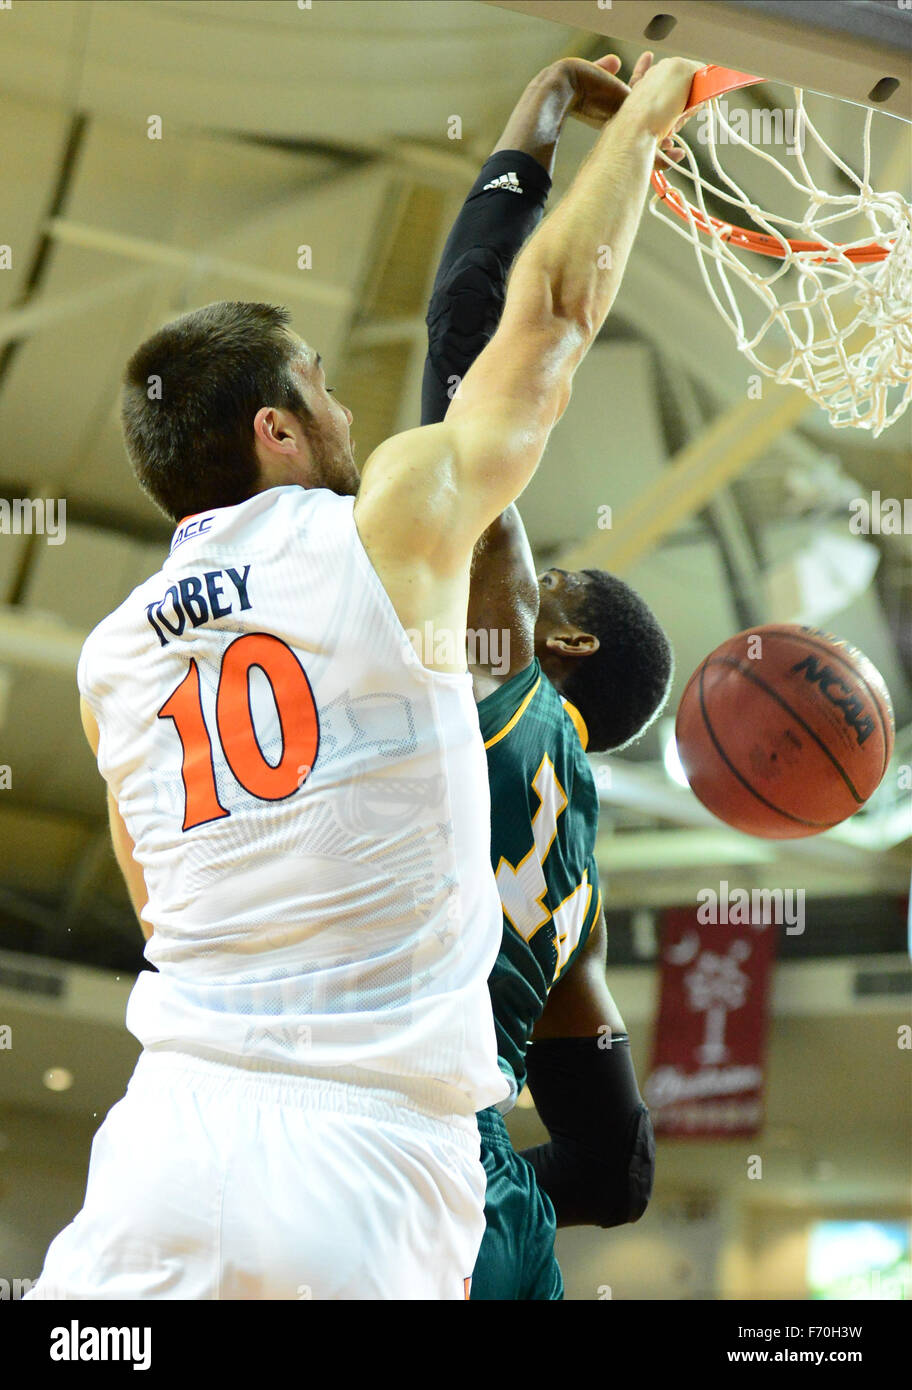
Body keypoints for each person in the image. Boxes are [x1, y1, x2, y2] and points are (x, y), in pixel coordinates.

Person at [27, 52, 699, 1300]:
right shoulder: (392, 529)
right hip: (373, 1155)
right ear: (276, 429)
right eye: (323, 388)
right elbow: (539, 320)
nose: (344, 408)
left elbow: (159, 903)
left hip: (168, 1132)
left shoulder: (109, 654)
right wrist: (654, 115)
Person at [419, 52, 679, 1298]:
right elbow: (617, 1166)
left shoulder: (502, 674)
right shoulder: (578, 883)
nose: (528, 575)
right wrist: (495, 1182)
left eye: (548, 586)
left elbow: (470, 341)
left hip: (387, 1166)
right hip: (496, 1223)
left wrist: (529, 138)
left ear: (556, 641)